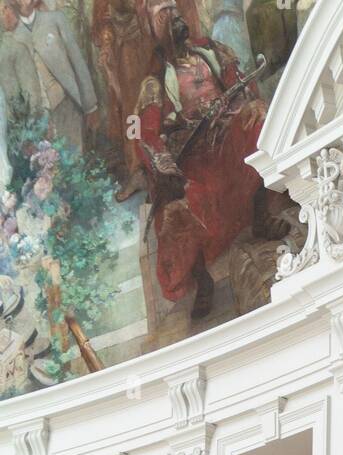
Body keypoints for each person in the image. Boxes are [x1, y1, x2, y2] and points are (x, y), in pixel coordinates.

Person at [134, 0, 265, 318]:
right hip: (192, 155)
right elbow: (146, 134)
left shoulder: (213, 52)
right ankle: (201, 279)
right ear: (153, 28)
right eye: (163, 14)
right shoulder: (154, 83)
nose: (174, 16)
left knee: (255, 122)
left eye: (174, 9)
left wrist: (250, 105)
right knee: (183, 202)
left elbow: (243, 86)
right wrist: (164, 163)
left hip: (226, 136)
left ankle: (262, 218)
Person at [11, 0, 97, 152]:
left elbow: (77, 60)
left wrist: (90, 106)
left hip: (67, 102)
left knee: (75, 160)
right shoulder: (15, 37)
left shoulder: (55, 19)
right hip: (39, 117)